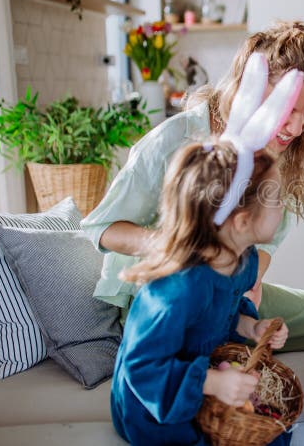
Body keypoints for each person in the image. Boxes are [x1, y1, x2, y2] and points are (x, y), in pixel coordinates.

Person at [82, 21, 304, 352]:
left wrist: (253, 281)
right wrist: (183, 247)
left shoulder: (280, 149)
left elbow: (265, 244)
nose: (295, 127)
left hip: (229, 295)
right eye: (287, 110)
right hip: (166, 298)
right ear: (251, 87)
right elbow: (101, 228)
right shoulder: (176, 140)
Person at [110, 137, 289, 445]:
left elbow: (225, 314)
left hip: (201, 380)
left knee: (271, 434)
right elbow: (140, 367)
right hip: (154, 402)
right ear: (242, 220)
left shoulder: (243, 259)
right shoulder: (176, 290)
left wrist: (253, 327)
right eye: (277, 200)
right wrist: (213, 382)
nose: (284, 206)